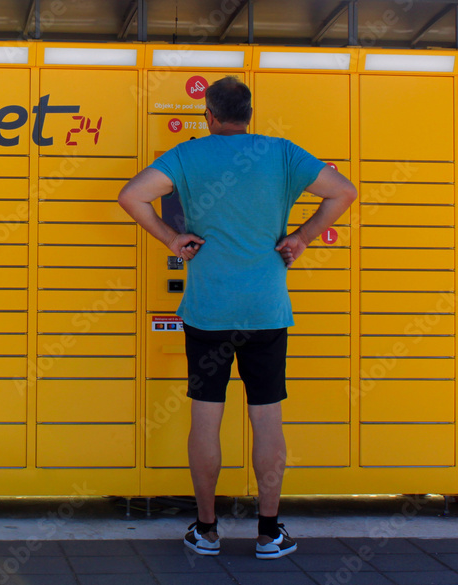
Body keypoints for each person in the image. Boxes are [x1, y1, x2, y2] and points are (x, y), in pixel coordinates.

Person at [117, 76, 357, 559]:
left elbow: (131, 196)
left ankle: (206, 530)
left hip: (208, 311)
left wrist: (170, 239)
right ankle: (269, 532)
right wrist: (302, 237)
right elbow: (344, 192)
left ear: (209, 115)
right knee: (267, 419)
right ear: (249, 114)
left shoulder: (189, 155)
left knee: (206, 417)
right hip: (266, 310)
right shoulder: (282, 153)